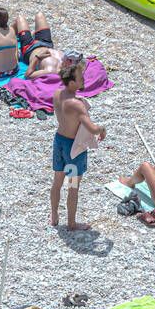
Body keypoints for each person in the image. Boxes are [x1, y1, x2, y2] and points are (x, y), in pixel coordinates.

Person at [50, 62, 106, 232]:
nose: (84, 81)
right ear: (72, 82)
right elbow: (91, 128)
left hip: (59, 141)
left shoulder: (57, 94)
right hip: (73, 148)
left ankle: (54, 215)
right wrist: (102, 129)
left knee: (57, 181)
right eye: (81, 79)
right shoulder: (77, 104)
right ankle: (71, 223)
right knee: (73, 186)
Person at [13, 11, 79, 78]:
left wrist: (37, 57)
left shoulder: (51, 70)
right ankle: (32, 35)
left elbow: (28, 75)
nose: (68, 57)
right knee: (39, 14)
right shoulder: (67, 58)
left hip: (29, 48)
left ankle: (9, 35)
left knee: (20, 18)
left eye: (70, 60)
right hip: (46, 43)